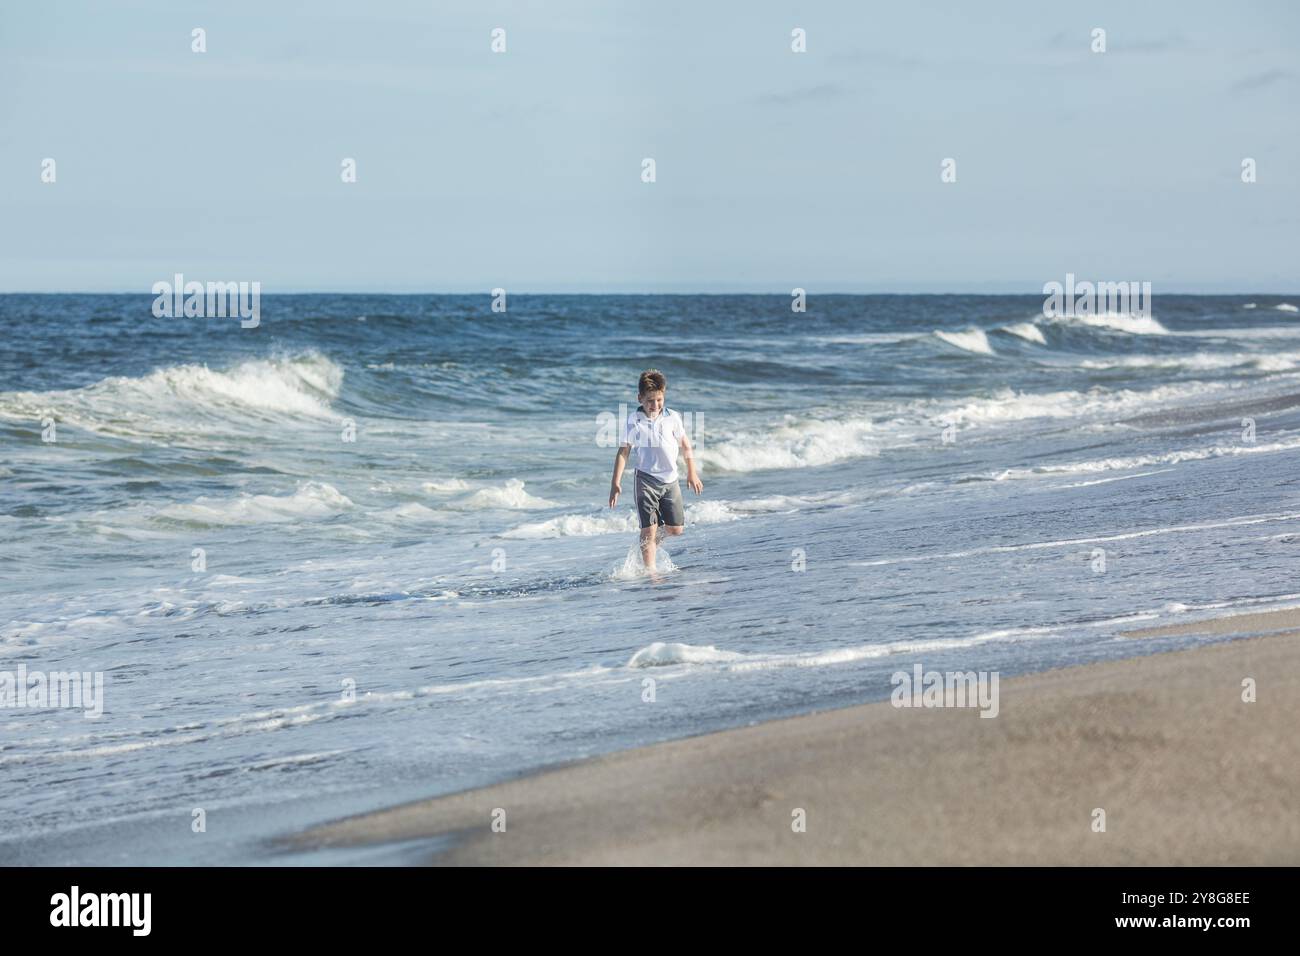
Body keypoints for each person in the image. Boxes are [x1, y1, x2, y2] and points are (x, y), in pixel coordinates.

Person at [608, 369, 703, 573]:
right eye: (650, 400)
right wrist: (615, 483)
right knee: (649, 531)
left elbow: (686, 446)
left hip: (671, 480)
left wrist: (691, 472)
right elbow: (623, 452)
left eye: (659, 399)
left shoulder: (673, 417)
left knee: (675, 529)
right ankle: (651, 573)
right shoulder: (634, 420)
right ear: (640, 398)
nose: (655, 405)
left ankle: (646, 542)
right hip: (645, 480)